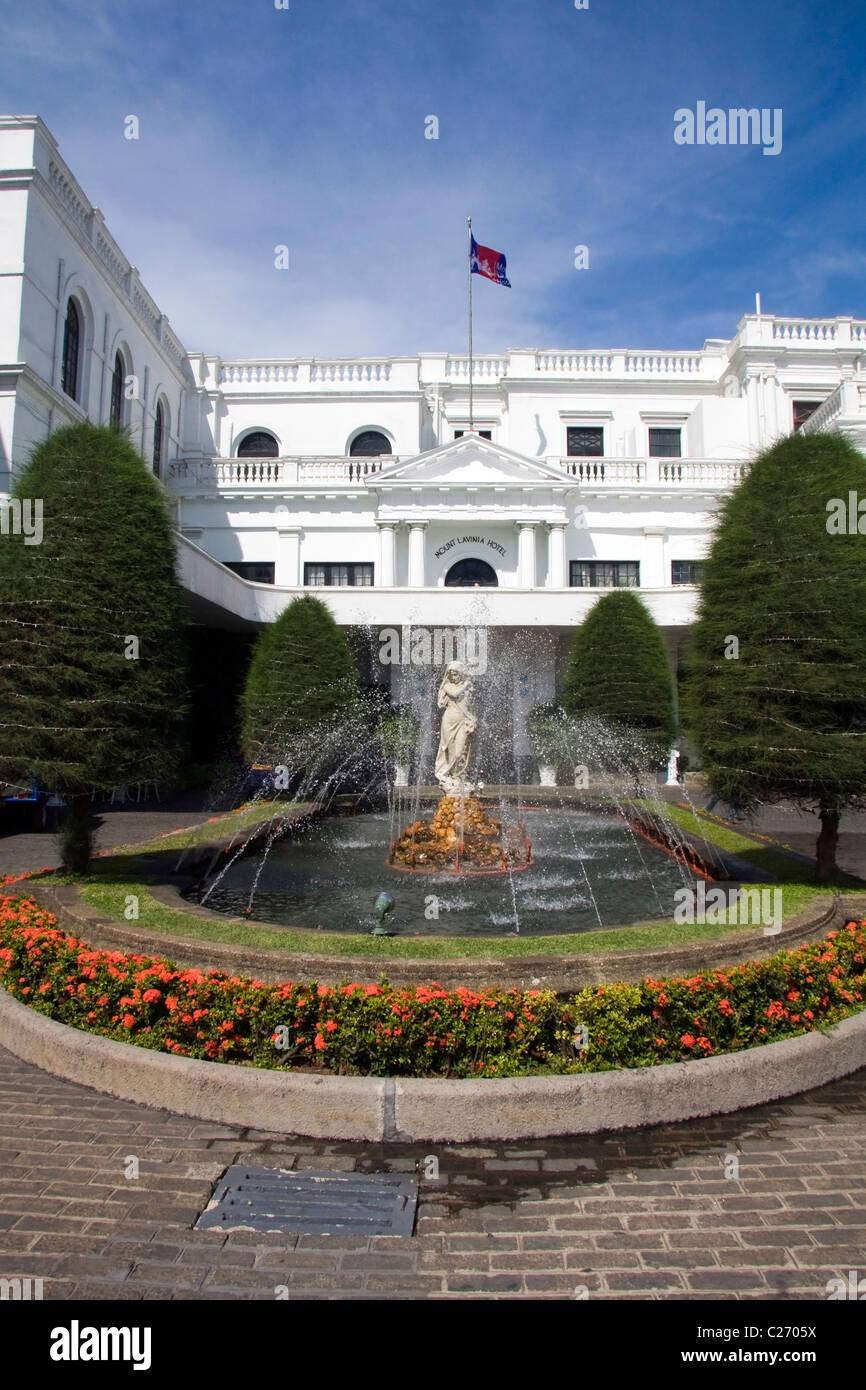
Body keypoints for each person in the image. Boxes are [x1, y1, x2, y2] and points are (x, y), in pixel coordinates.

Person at [434, 661, 477, 795]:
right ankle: (449, 776)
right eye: (451, 674)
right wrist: (466, 684)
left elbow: (471, 708)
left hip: (463, 722)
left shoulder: (468, 690)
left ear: (461, 673)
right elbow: (454, 694)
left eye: (456, 674)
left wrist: (473, 721)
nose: (453, 677)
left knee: (460, 752)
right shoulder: (447, 686)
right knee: (449, 749)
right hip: (449, 721)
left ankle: (459, 776)